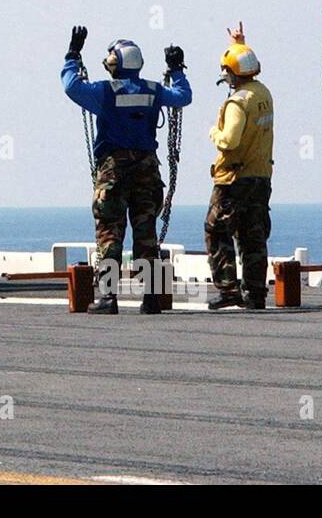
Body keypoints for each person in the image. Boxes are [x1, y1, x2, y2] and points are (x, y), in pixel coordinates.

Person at [62, 27, 192, 314]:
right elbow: (183, 97)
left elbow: (71, 86)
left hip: (114, 170)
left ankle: (108, 298)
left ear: (117, 62)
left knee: (110, 232)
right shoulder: (153, 90)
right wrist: (176, 69)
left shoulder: (105, 92)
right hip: (147, 169)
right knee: (146, 232)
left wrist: (73, 54)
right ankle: (152, 298)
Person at [204, 22, 275, 309]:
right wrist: (241, 44)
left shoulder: (237, 102)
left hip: (233, 180)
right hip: (260, 176)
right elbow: (244, 66)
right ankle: (255, 293)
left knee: (216, 230)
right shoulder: (263, 94)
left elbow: (230, 141)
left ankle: (228, 288)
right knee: (253, 235)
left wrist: (213, 133)